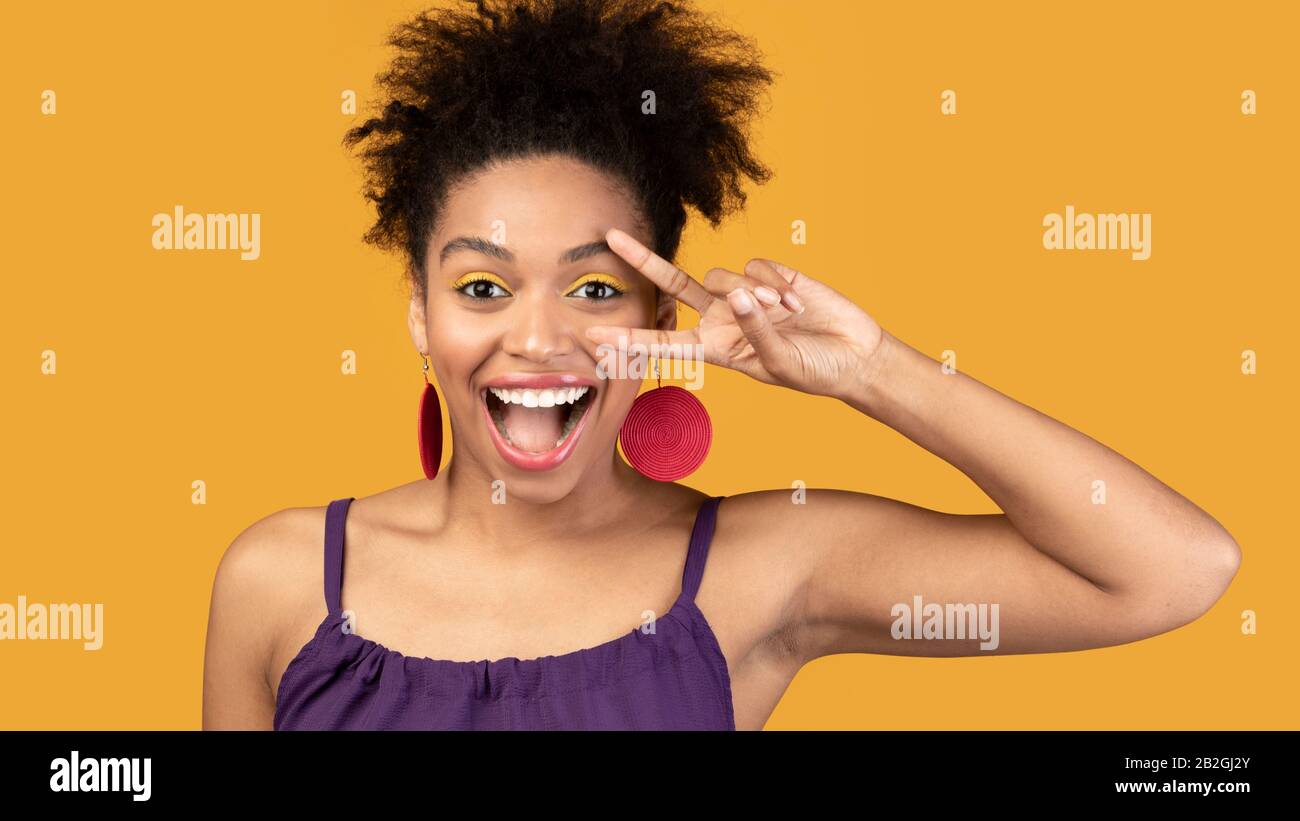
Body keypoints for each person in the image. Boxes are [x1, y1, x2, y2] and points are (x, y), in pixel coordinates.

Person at [202, 0, 1240, 730]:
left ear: (660, 316)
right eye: (480, 287)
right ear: (421, 321)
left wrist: (872, 370)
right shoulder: (279, 576)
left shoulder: (761, 567)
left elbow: (1170, 571)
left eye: (594, 287)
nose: (537, 338)